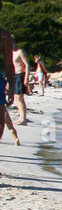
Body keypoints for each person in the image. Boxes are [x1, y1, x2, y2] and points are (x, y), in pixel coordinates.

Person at [0, 8, 20, 145]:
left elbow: (8, 64)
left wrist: (12, 86)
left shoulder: (4, 37)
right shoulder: (4, 36)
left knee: (1, 120)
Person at [11, 45, 29, 125]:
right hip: (15, 75)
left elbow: (27, 64)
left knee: (20, 97)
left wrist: (26, 77)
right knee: (16, 97)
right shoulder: (11, 53)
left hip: (21, 74)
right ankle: (21, 117)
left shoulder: (20, 51)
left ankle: (23, 119)